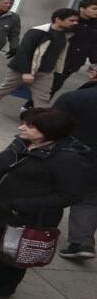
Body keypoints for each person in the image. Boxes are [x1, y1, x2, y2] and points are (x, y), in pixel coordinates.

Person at [0, 108, 91, 299]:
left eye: (29, 126)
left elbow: (71, 195)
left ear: (49, 131)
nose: (20, 127)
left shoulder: (68, 158)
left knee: (11, 253)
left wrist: (22, 204)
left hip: (23, 216)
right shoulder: (21, 142)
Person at [0, 8, 82, 122]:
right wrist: (26, 72)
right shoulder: (38, 32)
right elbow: (24, 52)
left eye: (76, 20)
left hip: (45, 72)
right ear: (58, 19)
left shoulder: (66, 34)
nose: (75, 23)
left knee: (42, 99)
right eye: (72, 20)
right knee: (4, 89)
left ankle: (42, 124)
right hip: (22, 70)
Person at [55, 63, 97, 260]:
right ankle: (82, 243)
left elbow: (50, 126)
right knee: (88, 202)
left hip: (71, 158)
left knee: (50, 194)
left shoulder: (74, 98)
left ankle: (37, 232)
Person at [51, 0, 97, 99]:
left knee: (55, 86)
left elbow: (94, 46)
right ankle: (31, 108)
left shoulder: (95, 25)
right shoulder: (70, 20)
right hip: (59, 59)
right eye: (94, 9)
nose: (96, 12)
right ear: (82, 9)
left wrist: (94, 62)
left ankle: (32, 107)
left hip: (75, 62)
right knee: (50, 86)